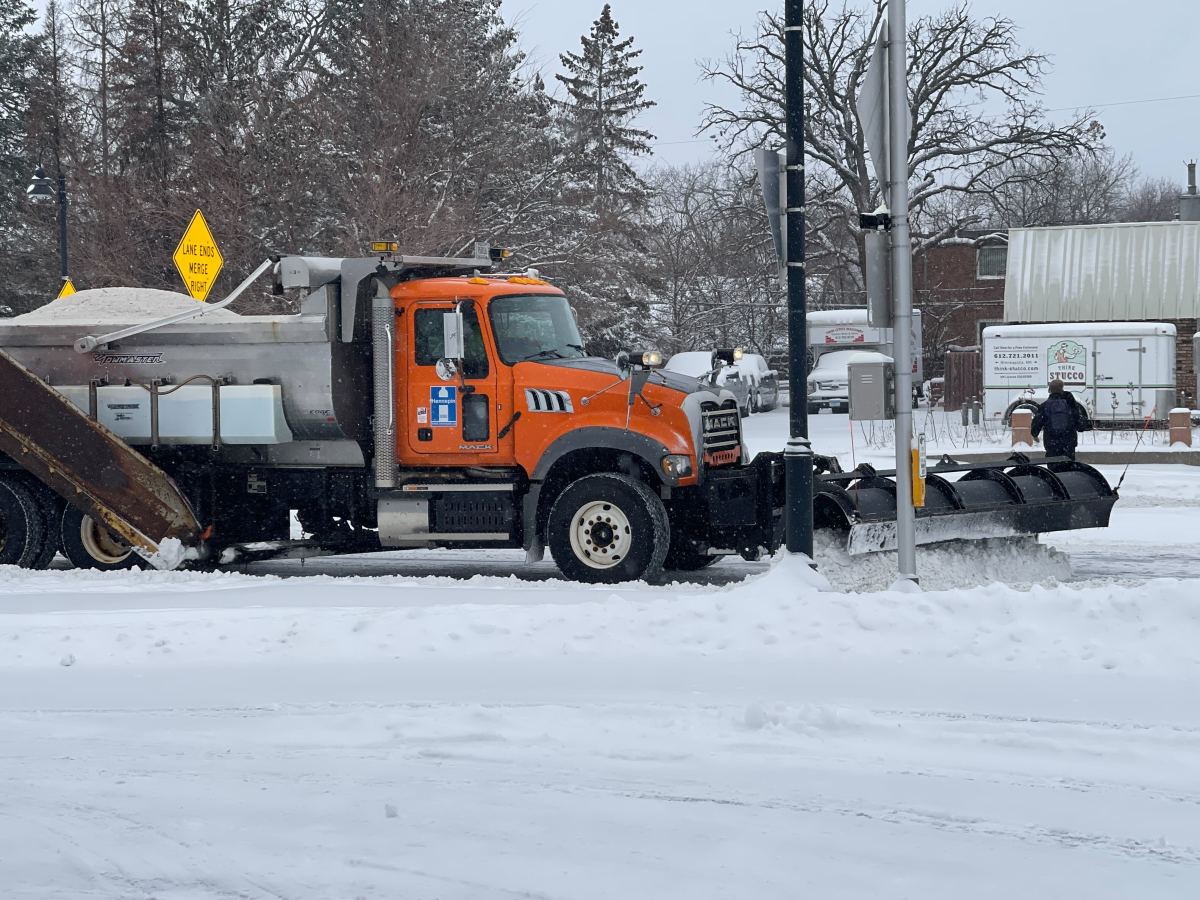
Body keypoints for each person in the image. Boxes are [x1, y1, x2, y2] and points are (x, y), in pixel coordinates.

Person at [1031, 379, 1092, 460]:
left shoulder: (1044, 406)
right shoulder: (1070, 404)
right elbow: (1079, 424)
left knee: (1053, 469)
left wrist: (1034, 434)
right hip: (1068, 444)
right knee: (1068, 469)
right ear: (1062, 389)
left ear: (1050, 390)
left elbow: (1035, 426)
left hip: (1051, 445)